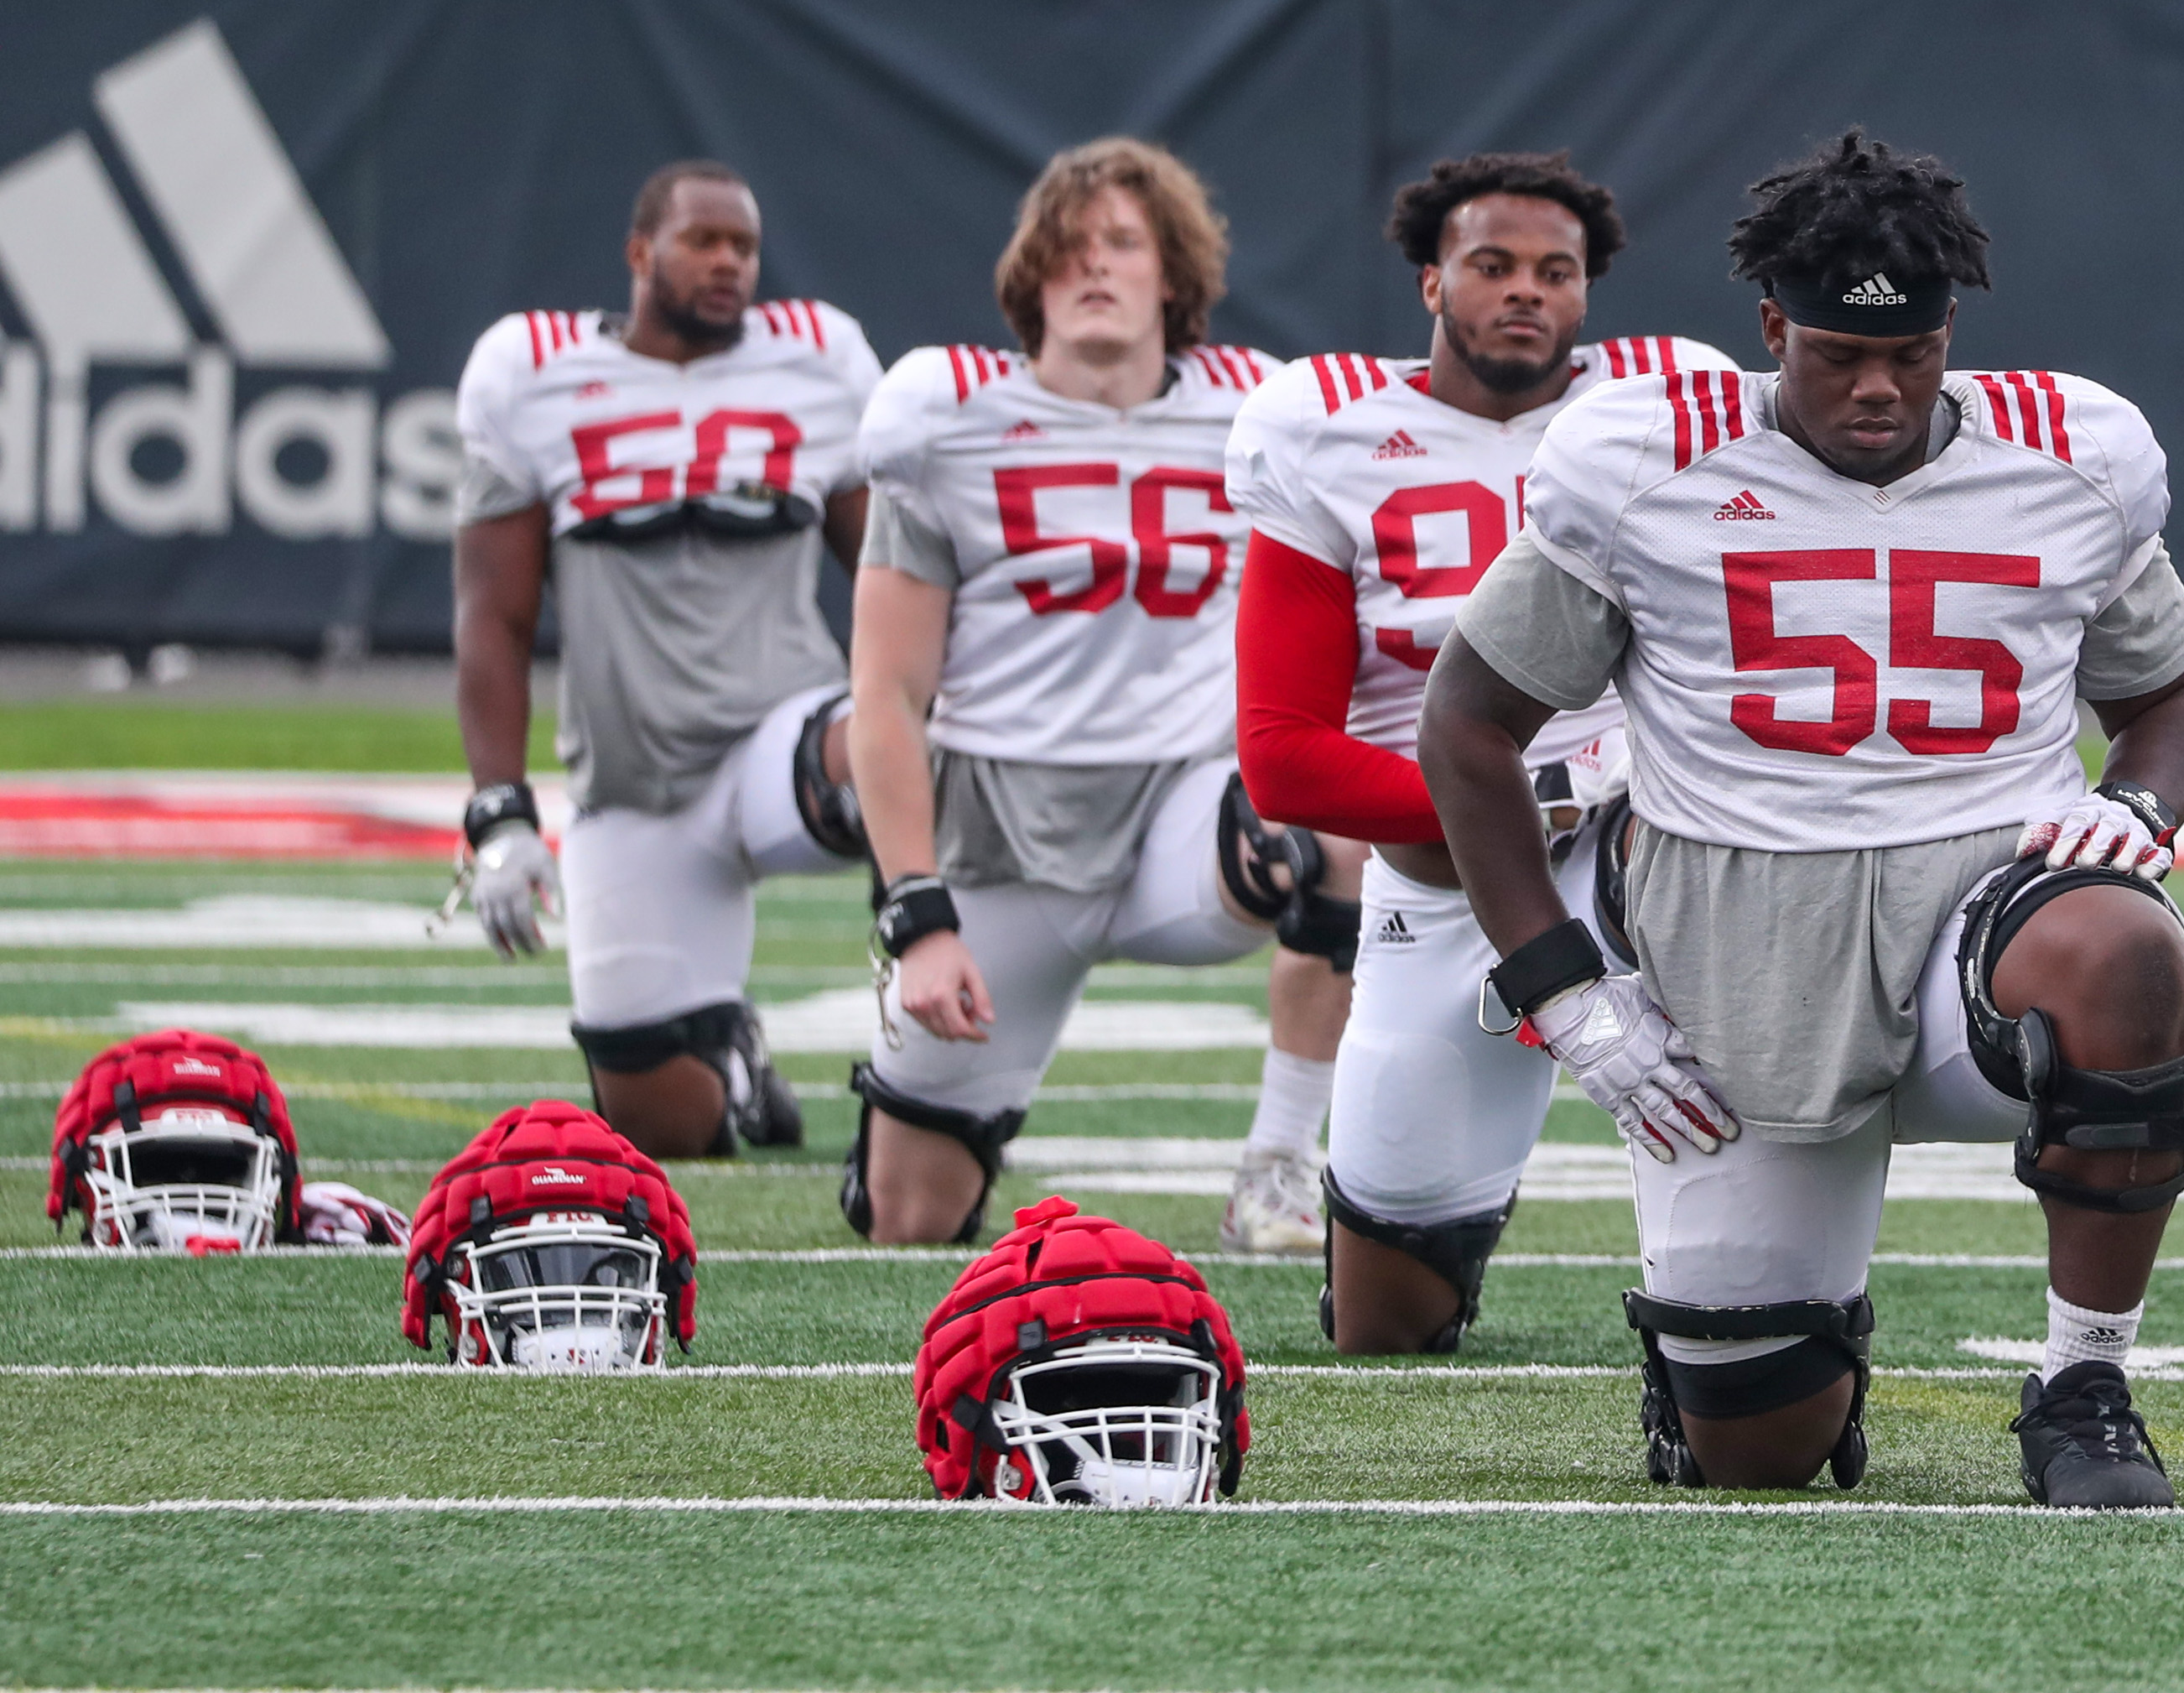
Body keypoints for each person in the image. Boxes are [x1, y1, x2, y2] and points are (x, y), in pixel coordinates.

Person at [1420, 130, 2184, 1507]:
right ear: (1769, 325)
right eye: (1837, 356)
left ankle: (2086, 1383)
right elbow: (1467, 727)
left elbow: (2178, 695)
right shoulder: (1640, 456)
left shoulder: (2069, 453)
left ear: (1950, 333)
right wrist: (1560, 990)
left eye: (1910, 356)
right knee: (1755, 1451)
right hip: (1732, 927)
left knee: (2126, 951)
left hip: (1987, 898)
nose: (1875, 388)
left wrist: (2138, 806)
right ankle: (1755, 1361)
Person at [1223, 151, 1736, 1350]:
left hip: (1656, 842)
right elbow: (1286, 758)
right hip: (1446, 867)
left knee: (1750, 1332)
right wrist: (1525, 803)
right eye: (1492, 265)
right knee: (1382, 1326)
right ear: (1430, 282)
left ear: (1587, 295)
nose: (1525, 292)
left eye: (1555, 272)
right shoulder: (1328, 429)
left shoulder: (1662, 412)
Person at [845, 138, 1360, 1247]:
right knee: (908, 1215)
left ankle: (1278, 1162)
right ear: (1029, 277)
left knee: (1339, 813)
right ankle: (931, 1118)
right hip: (1000, 835)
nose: (1094, 266)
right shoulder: (943, 419)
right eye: (1069, 248)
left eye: (1122, 243)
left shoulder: (1252, 413)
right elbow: (884, 693)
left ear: (1171, 274)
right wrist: (915, 910)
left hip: (1185, 812)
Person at [450, 160, 881, 1159]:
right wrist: (499, 809)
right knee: (661, 1125)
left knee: (906, 748)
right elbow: (494, 616)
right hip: (635, 777)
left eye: (745, 245)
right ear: (641, 253)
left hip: (788, 742)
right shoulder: (531, 370)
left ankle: (923, 965)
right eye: (704, 241)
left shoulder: (820, 358)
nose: (730, 262)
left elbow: (894, 575)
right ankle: (731, 1058)